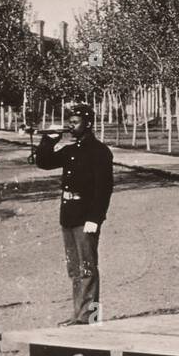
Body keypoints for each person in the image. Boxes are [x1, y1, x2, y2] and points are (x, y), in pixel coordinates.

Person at [35, 103, 114, 326]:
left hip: (85, 217)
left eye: (75, 121)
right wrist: (49, 140)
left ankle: (90, 317)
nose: (71, 125)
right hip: (69, 215)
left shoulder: (99, 152)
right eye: (69, 121)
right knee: (75, 268)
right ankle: (79, 314)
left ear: (88, 123)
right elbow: (44, 162)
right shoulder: (71, 149)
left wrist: (95, 218)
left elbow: (103, 189)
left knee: (87, 267)